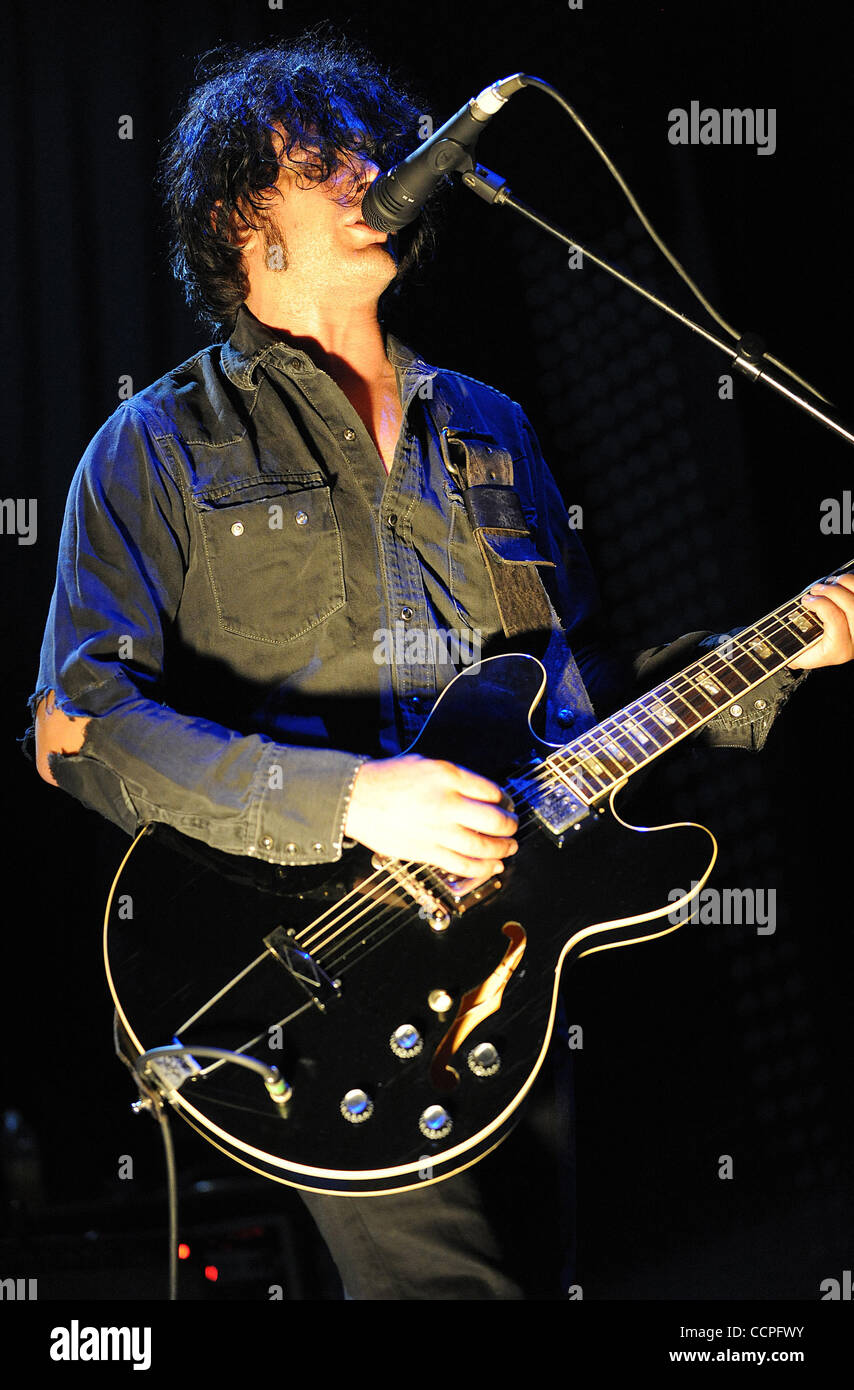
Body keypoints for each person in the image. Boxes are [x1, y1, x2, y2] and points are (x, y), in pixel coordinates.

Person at [27, 34, 854, 1299]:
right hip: (308, 959)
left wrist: (792, 642)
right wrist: (351, 798)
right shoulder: (155, 444)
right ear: (243, 219)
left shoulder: (488, 422)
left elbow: (578, 701)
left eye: (373, 146)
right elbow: (76, 727)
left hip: (519, 951)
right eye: (326, 157)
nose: (374, 169)